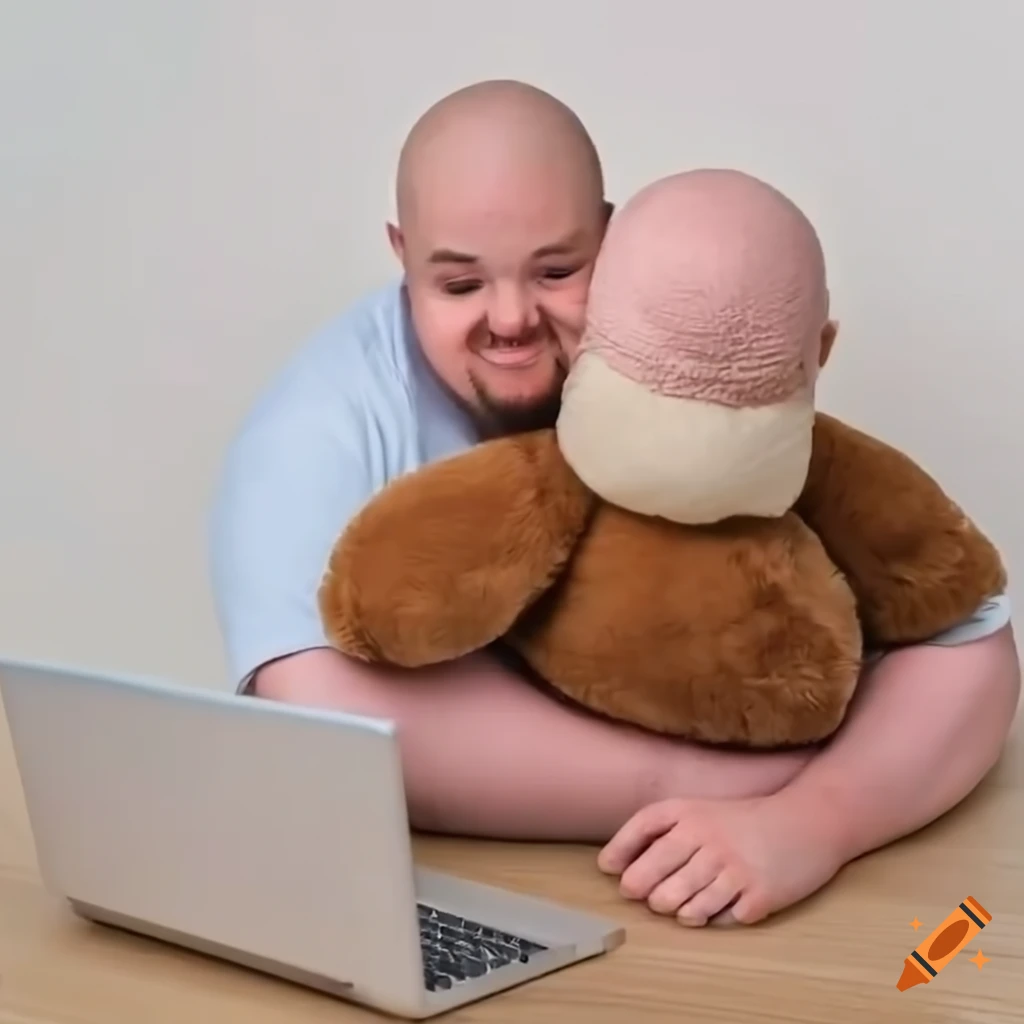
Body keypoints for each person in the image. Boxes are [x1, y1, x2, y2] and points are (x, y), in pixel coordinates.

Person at [208, 79, 1020, 926]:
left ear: (613, 236)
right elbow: (313, 712)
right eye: (458, 285)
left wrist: (817, 817)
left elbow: (972, 645)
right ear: (401, 253)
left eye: (558, 271)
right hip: (467, 888)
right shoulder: (321, 423)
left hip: (742, 896)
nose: (512, 320)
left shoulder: (693, 344)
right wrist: (709, 783)